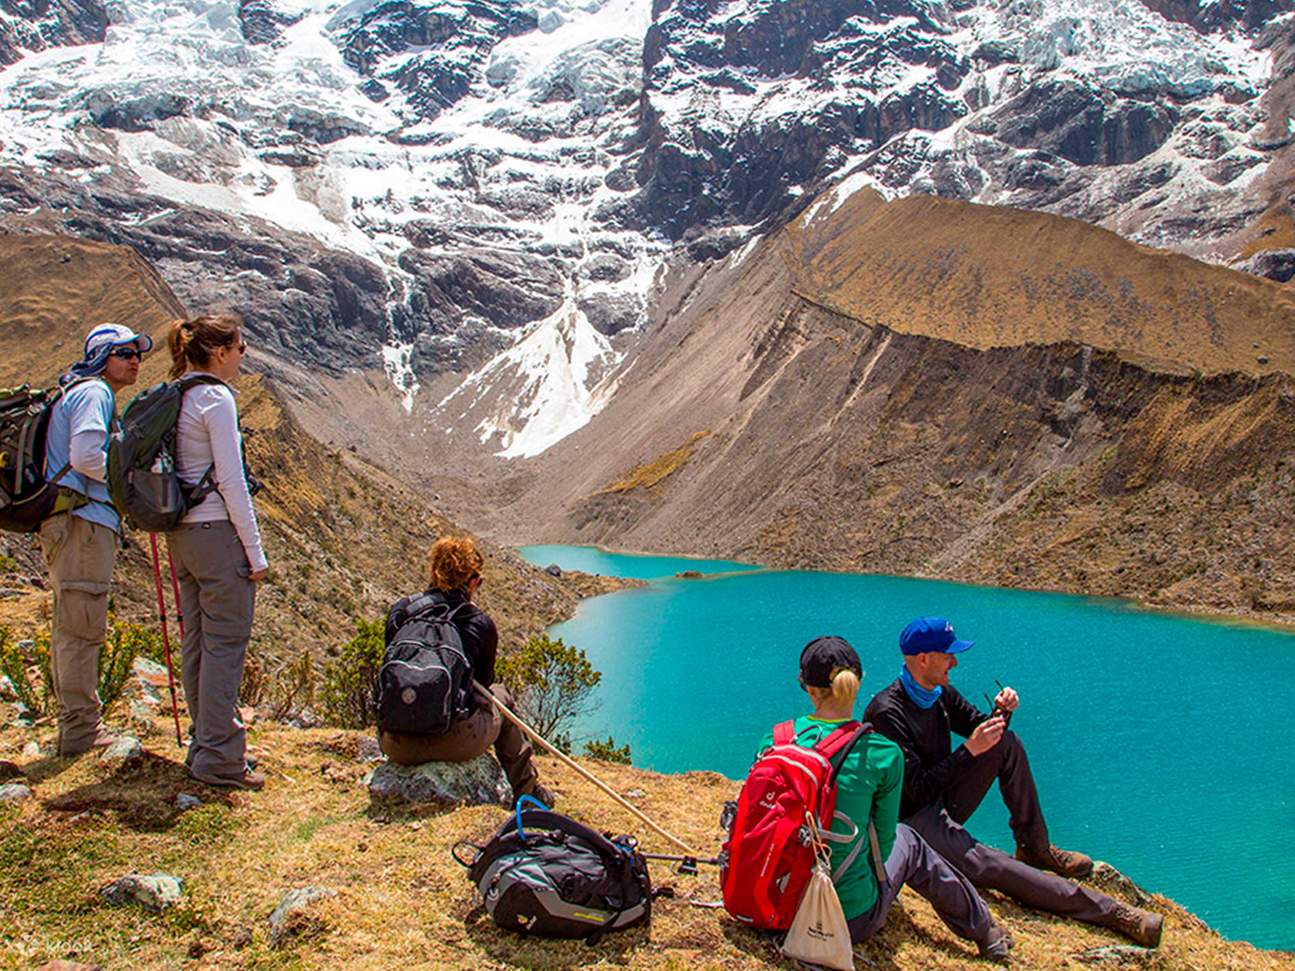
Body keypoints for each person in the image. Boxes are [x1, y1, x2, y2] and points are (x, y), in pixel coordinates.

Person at [863, 616, 1164, 947]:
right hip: (910, 822)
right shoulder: (887, 712)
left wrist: (1001, 713)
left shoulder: (938, 693)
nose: (955, 661)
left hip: (937, 800)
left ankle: (1035, 847)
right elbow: (913, 792)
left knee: (1007, 742)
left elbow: (982, 731)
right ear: (923, 659)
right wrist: (968, 752)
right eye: (948, 654)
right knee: (991, 864)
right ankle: (1112, 912)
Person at [756, 636, 1012, 960]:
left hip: (769, 902)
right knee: (910, 838)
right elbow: (887, 843)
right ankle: (985, 931)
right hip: (846, 921)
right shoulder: (882, 754)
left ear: (808, 688)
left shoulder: (775, 739)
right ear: (857, 683)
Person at [165, 313, 268, 790]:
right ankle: (220, 760)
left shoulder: (176, 395)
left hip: (181, 536)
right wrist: (255, 552)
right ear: (222, 352)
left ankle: (203, 746)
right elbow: (231, 481)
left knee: (197, 643)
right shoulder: (215, 398)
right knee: (226, 644)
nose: (243, 357)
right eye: (241, 349)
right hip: (216, 533)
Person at [39, 323, 150, 756]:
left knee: (72, 623)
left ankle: (75, 722)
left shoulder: (82, 392)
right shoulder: (95, 393)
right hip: (84, 522)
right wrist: (127, 488)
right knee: (82, 627)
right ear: (103, 356)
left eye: (136, 353)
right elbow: (86, 456)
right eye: (124, 353)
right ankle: (81, 731)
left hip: (73, 522)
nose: (134, 361)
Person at [380, 536, 553, 808]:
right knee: (501, 696)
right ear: (472, 581)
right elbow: (482, 685)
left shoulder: (402, 612)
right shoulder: (479, 623)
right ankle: (528, 793)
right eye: (478, 581)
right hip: (455, 741)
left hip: (397, 743)